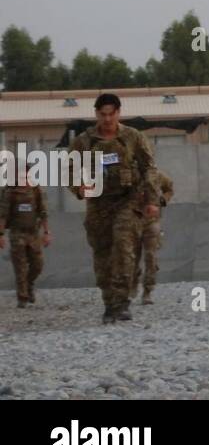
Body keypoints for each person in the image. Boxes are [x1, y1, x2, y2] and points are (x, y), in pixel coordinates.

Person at [67, 93, 161, 322]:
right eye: (102, 114)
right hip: (98, 203)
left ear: (118, 113)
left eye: (111, 114)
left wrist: (151, 200)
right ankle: (109, 302)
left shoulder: (133, 137)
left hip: (128, 200)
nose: (107, 119)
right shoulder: (84, 141)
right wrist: (78, 187)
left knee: (124, 246)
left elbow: (149, 168)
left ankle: (122, 301)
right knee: (102, 254)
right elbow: (68, 169)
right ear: (96, 114)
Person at [0, 180, 51, 307]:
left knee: (37, 265)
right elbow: (3, 215)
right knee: (20, 267)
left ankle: (28, 285)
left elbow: (43, 212)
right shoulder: (11, 191)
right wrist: (1, 235)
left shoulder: (35, 189)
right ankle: (22, 297)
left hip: (33, 233)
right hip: (17, 234)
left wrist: (46, 232)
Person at [130, 168, 173, 305]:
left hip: (152, 221)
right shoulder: (130, 175)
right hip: (133, 220)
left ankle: (147, 291)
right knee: (132, 257)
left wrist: (162, 200)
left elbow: (169, 188)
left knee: (151, 257)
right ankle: (133, 282)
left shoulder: (157, 175)